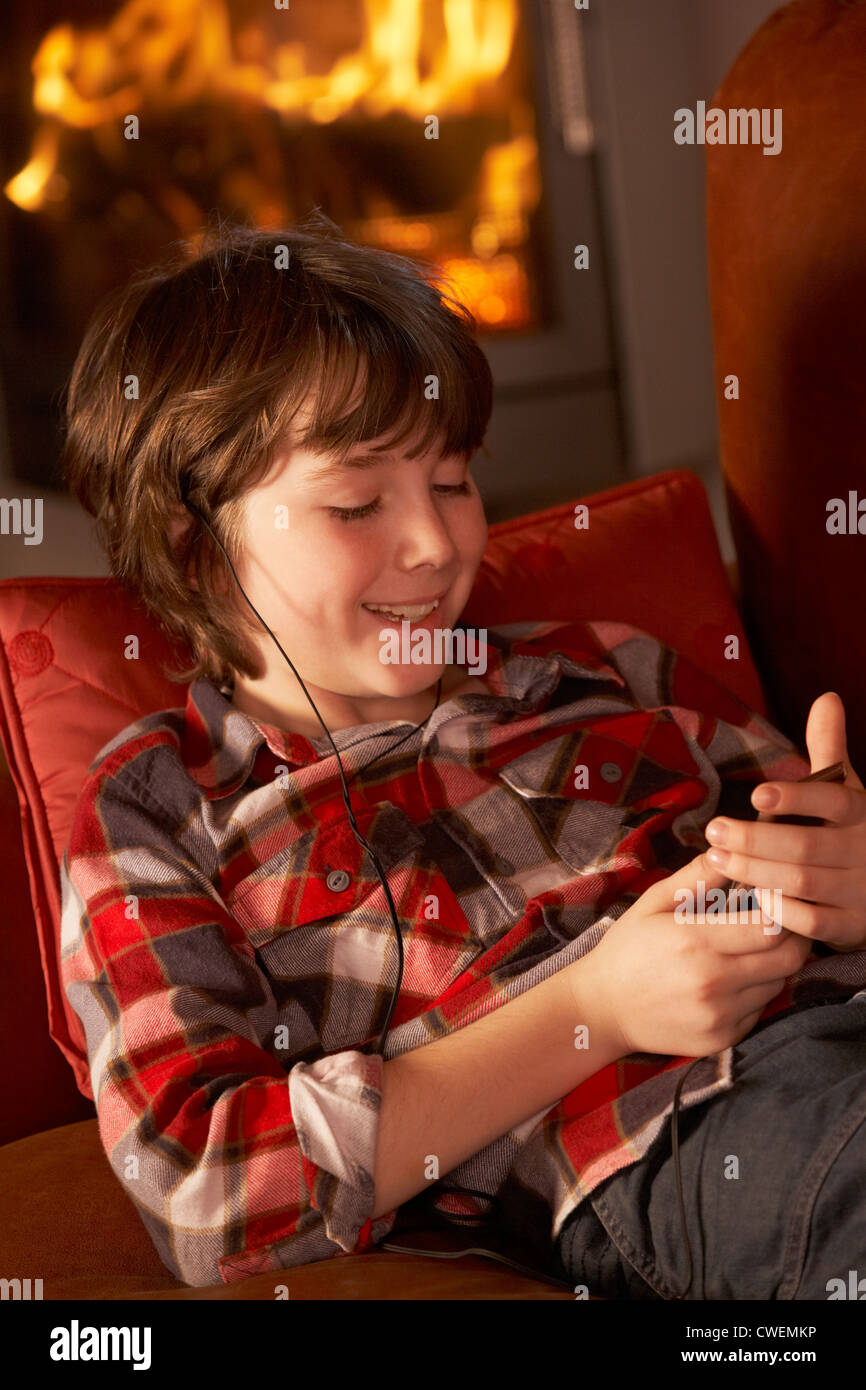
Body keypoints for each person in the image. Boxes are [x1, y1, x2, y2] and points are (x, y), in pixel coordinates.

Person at [59, 215, 866, 1295]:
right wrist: (597, 1008)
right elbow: (212, 1194)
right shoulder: (161, 808)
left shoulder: (606, 667)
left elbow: (810, 859)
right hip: (685, 1139)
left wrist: (845, 873)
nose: (437, 544)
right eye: (356, 501)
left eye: (450, 481)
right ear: (197, 547)